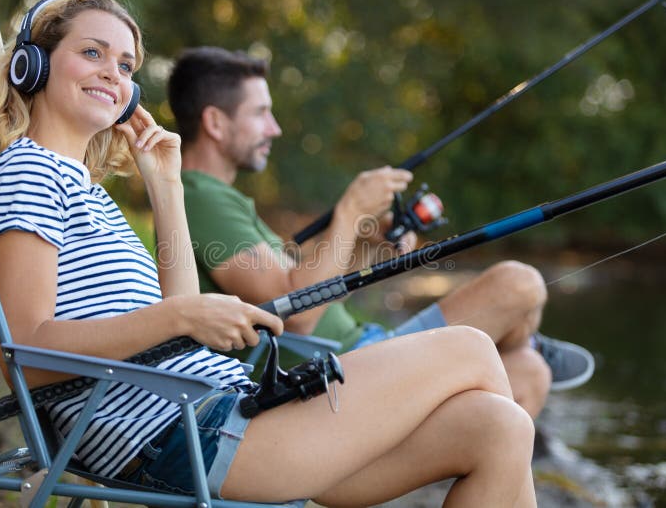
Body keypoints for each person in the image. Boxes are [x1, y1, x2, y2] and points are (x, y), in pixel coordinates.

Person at [0, 0, 537, 505]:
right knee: (469, 348)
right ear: (33, 65)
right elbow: (26, 355)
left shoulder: (84, 188)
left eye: (126, 65)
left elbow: (177, 316)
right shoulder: (29, 172)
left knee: (499, 428)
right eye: (93, 53)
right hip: (186, 433)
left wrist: (166, 186)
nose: (113, 73)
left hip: (220, 411)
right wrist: (180, 317)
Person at [170, 46, 595, 420]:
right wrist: (351, 210)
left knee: (529, 374)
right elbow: (295, 313)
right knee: (519, 284)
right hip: (347, 371)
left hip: (362, 353)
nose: (274, 128)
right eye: (261, 113)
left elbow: (315, 293)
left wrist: (363, 241)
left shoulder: (220, 200)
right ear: (215, 122)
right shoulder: (199, 196)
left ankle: (521, 346)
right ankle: (522, 336)